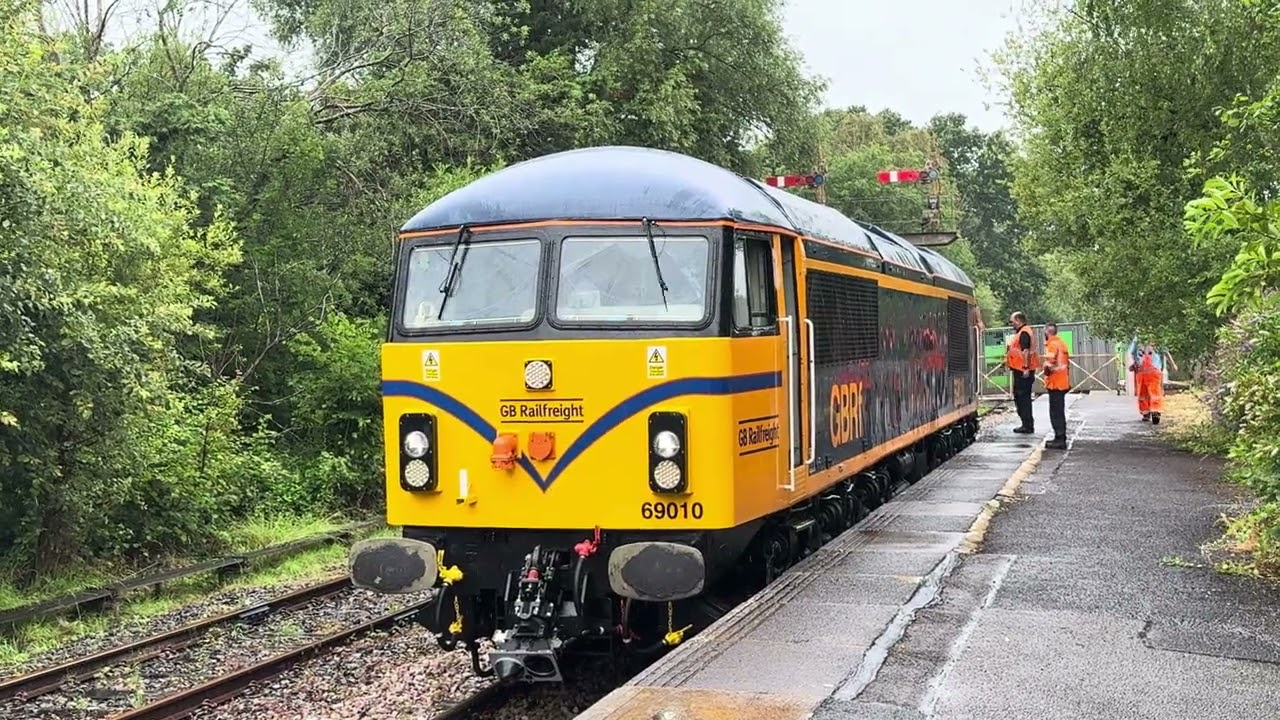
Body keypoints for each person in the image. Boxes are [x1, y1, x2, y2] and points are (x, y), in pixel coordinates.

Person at [1128, 339, 1179, 424]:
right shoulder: (1156, 337)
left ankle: (1148, 412)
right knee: (1152, 392)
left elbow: (1132, 353)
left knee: (1145, 393)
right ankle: (1153, 411)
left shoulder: (1137, 339)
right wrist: (1172, 364)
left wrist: (1135, 363)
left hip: (1144, 371)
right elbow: (1165, 352)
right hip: (1151, 371)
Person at [1005, 311, 1039, 434]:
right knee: (1021, 397)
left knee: (1022, 398)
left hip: (1022, 371)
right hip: (1020, 369)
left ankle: (1027, 425)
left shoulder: (1024, 332)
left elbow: (1025, 351)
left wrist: (1025, 368)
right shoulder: (1023, 332)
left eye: (1012, 322)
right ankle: (1026, 424)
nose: (1011, 324)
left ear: (1019, 321)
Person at [1042, 323, 1070, 449]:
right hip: (1063, 381)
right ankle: (1060, 437)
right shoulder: (1062, 343)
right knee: (1059, 411)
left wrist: (1045, 370)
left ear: (1047, 332)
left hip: (1055, 382)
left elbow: (1050, 363)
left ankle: (1059, 439)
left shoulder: (1052, 344)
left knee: (1055, 413)